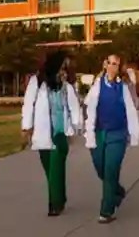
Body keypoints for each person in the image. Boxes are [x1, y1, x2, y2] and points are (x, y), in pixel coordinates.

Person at [21, 51, 83, 217]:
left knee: (55, 168)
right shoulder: (37, 83)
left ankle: (53, 204)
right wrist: (26, 127)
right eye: (62, 66)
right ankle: (60, 198)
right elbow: (28, 105)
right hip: (42, 134)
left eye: (65, 67)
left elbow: (74, 107)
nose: (64, 70)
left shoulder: (67, 86)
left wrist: (76, 127)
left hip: (60, 134)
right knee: (51, 170)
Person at [84, 53, 139, 224]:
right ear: (104, 64)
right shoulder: (97, 85)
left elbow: (131, 111)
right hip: (99, 133)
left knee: (110, 169)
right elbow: (90, 109)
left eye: (115, 64)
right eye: (109, 63)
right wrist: (89, 133)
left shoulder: (123, 87)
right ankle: (117, 191)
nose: (111, 66)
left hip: (118, 134)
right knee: (100, 168)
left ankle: (106, 211)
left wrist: (134, 133)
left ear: (119, 67)